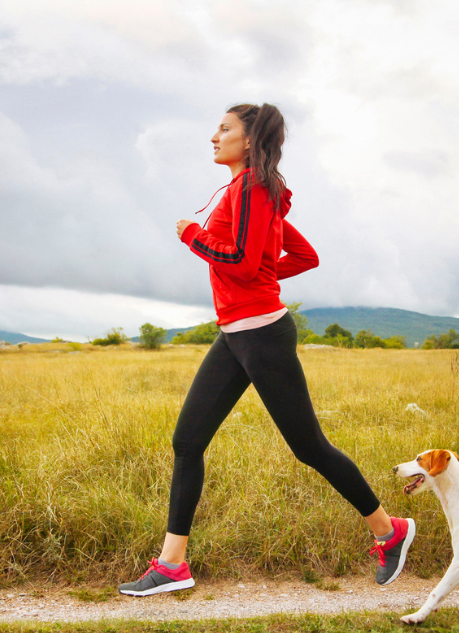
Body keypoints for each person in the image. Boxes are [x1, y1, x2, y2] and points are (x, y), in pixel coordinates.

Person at [118, 103, 415, 597]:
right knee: (187, 442)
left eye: (224, 128)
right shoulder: (253, 193)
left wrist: (193, 236)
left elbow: (237, 260)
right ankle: (172, 565)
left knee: (309, 447)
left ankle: (390, 531)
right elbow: (299, 256)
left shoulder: (254, 190)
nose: (214, 136)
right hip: (235, 333)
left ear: (250, 141)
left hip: (262, 334)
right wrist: (257, 270)